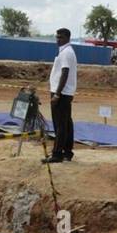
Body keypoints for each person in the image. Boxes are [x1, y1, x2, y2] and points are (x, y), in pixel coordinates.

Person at [45, 28, 78, 163]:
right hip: (65, 92)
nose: (58, 40)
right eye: (57, 37)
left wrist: (57, 94)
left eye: (60, 37)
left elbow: (65, 73)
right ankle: (67, 152)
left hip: (62, 93)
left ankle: (57, 154)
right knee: (66, 123)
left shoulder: (66, 53)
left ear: (67, 38)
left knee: (60, 125)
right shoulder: (66, 51)